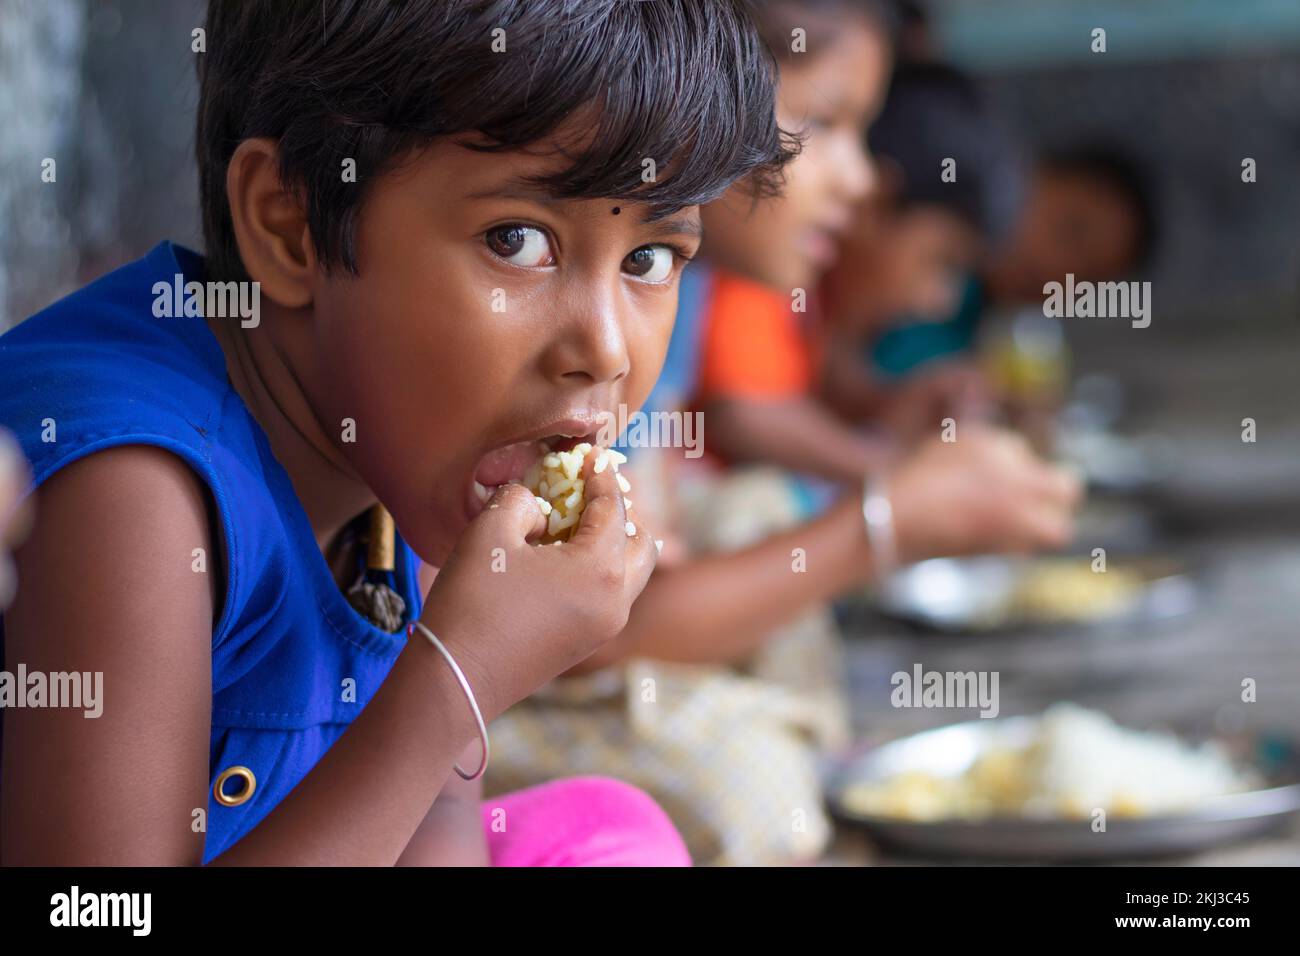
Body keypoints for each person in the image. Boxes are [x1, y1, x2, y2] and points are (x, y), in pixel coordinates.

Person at [0, 0, 794, 866]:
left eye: (649, 261)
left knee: (616, 835)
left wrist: (468, 667)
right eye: (517, 240)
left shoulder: (407, 451)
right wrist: (459, 672)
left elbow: (437, 842)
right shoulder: (136, 493)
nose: (603, 350)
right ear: (289, 222)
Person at [485, 0, 1081, 866]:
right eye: (825, 121)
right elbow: (579, 625)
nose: (864, 178)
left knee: (757, 510)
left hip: (586, 621)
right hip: (489, 676)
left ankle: (786, 737)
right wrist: (889, 515)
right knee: (757, 790)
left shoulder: (680, 294)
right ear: (699, 85)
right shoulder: (612, 306)